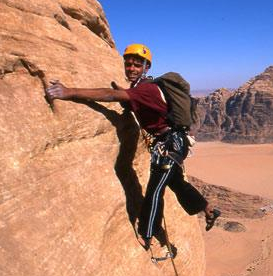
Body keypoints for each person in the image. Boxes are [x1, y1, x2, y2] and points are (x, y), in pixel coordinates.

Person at [45, 43, 220, 252]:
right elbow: (136, 103)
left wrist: (69, 92)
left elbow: (110, 96)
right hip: (172, 142)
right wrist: (126, 95)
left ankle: (147, 235)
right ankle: (208, 209)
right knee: (177, 183)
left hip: (168, 146)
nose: (131, 68)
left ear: (146, 67)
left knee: (155, 191)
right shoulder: (140, 87)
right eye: (128, 64)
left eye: (137, 65)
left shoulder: (145, 89)